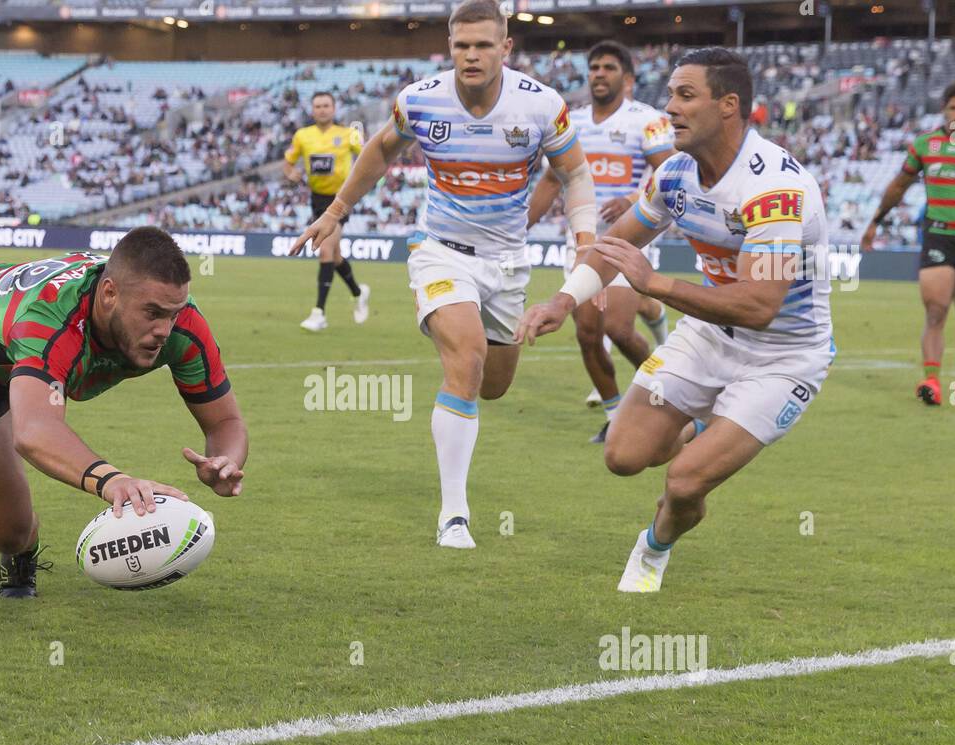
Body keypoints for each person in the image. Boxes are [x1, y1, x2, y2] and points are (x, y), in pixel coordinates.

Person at [517, 48, 834, 593]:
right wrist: (561, 303)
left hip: (784, 358)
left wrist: (656, 284)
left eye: (686, 96)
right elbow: (616, 243)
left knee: (684, 483)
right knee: (622, 455)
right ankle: (701, 422)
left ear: (729, 106)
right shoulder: (675, 176)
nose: (669, 109)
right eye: (669, 96)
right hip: (709, 338)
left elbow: (760, 307)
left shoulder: (776, 189)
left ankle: (653, 548)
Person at [292, 0, 598, 549]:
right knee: (468, 357)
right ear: (449, 48)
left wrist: (585, 242)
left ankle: (463, 433)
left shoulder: (540, 106)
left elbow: (573, 173)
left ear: (506, 47)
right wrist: (336, 212)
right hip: (440, 249)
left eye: (484, 45)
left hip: (507, 260)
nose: (472, 55)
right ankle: (453, 515)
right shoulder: (419, 100)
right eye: (462, 46)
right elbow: (381, 150)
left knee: (495, 384)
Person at [0, 227, 248, 598]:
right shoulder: (50, 320)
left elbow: (225, 421)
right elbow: (34, 429)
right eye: (152, 313)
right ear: (109, 294)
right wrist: (113, 481)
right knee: (9, 532)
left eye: (173, 314)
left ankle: (19, 540)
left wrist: (226, 460)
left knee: (12, 522)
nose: (164, 331)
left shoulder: (183, 325)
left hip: (37, 357)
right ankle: (21, 551)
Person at [528, 40, 675, 442]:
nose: (598, 74)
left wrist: (630, 198)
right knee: (588, 335)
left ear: (627, 79)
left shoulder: (647, 120)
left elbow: (670, 173)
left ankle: (672, 396)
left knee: (618, 328)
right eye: (594, 67)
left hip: (630, 240)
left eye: (609, 68)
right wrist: (520, 226)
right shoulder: (570, 122)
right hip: (581, 243)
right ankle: (615, 418)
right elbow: (548, 181)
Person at [862, 81, 955, 405]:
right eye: (953, 108)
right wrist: (875, 222)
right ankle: (931, 380)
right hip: (938, 235)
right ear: (944, 111)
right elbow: (898, 186)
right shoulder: (926, 144)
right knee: (936, 310)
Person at [283, 91, 371, 331]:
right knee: (334, 256)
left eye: (326, 105)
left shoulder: (348, 134)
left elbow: (366, 158)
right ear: (312, 110)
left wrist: (358, 184)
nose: (322, 109)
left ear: (334, 109)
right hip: (317, 200)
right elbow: (288, 161)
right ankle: (358, 291)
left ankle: (319, 313)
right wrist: (290, 172)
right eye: (318, 106)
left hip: (340, 200)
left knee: (325, 252)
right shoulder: (303, 135)